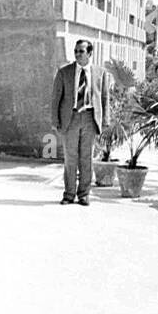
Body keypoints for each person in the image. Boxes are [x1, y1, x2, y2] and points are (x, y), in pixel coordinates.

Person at [50, 39, 110, 206]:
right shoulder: (64, 72)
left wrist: (105, 120)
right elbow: (56, 98)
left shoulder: (100, 73)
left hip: (90, 118)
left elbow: (104, 97)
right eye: (76, 51)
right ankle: (69, 194)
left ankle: (84, 194)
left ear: (90, 53)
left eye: (81, 51)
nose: (77, 54)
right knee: (70, 158)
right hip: (71, 119)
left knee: (86, 158)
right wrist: (55, 121)